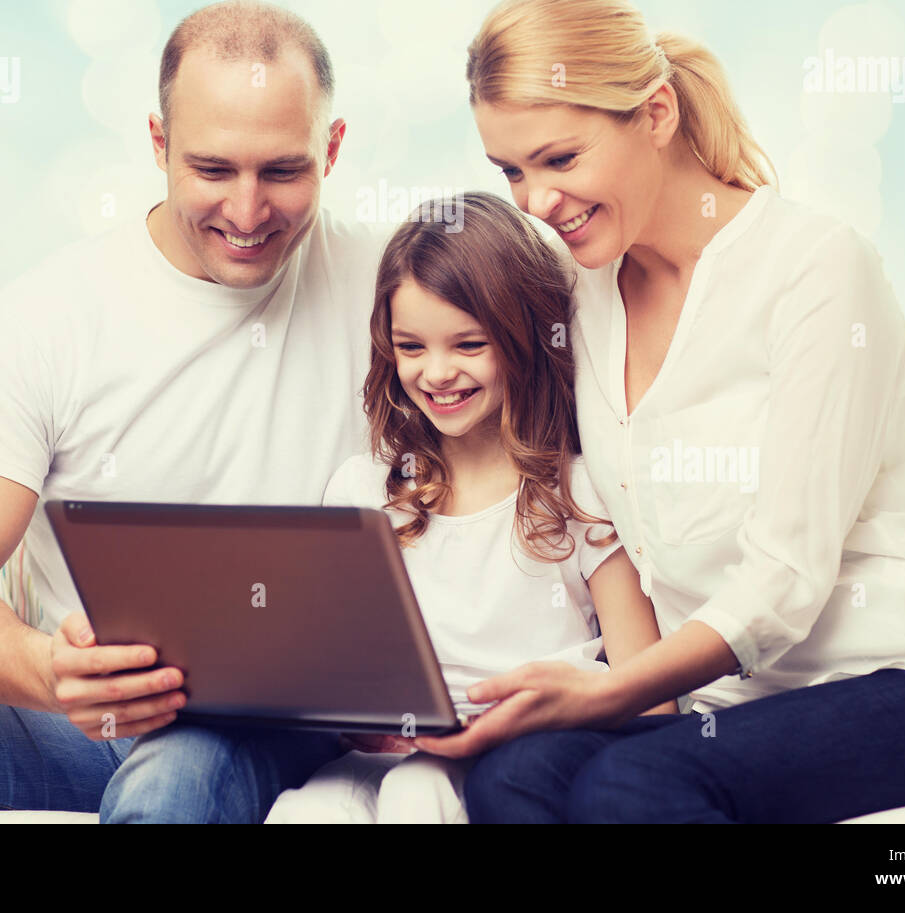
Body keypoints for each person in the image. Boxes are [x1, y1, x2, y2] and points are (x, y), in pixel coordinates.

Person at [410, 0, 905, 824]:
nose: (535, 201)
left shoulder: (816, 266)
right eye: (512, 170)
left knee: (631, 783)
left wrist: (602, 694)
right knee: (514, 776)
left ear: (656, 114)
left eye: (560, 159)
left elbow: (784, 579)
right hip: (743, 708)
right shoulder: (580, 293)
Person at [0, 0, 393, 824]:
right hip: (79, 724)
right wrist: (49, 671)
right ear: (159, 145)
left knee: (173, 779)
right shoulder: (51, 315)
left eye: (281, 171)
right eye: (212, 170)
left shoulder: (401, 297)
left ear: (331, 148)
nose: (246, 212)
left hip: (276, 729)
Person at [268, 192, 673, 823]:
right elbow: (329, 669)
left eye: (468, 344)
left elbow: (652, 699)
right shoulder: (362, 492)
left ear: (524, 339)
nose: (436, 372)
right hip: (381, 754)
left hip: (511, 761)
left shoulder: (579, 496)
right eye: (411, 347)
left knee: (418, 794)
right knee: (307, 811)